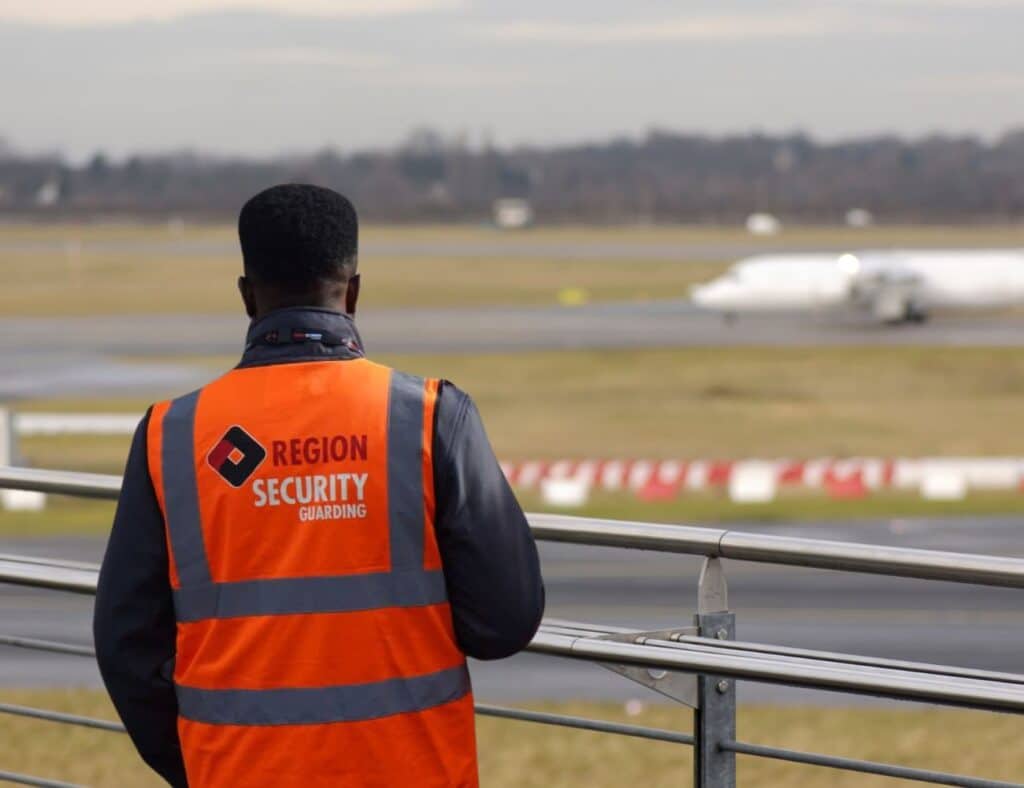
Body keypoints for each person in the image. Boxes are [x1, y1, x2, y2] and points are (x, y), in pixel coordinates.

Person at [93, 184, 545, 787]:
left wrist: (201, 763)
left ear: (247, 296)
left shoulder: (172, 435)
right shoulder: (428, 415)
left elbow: (125, 645)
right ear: (353, 290)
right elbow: (505, 622)